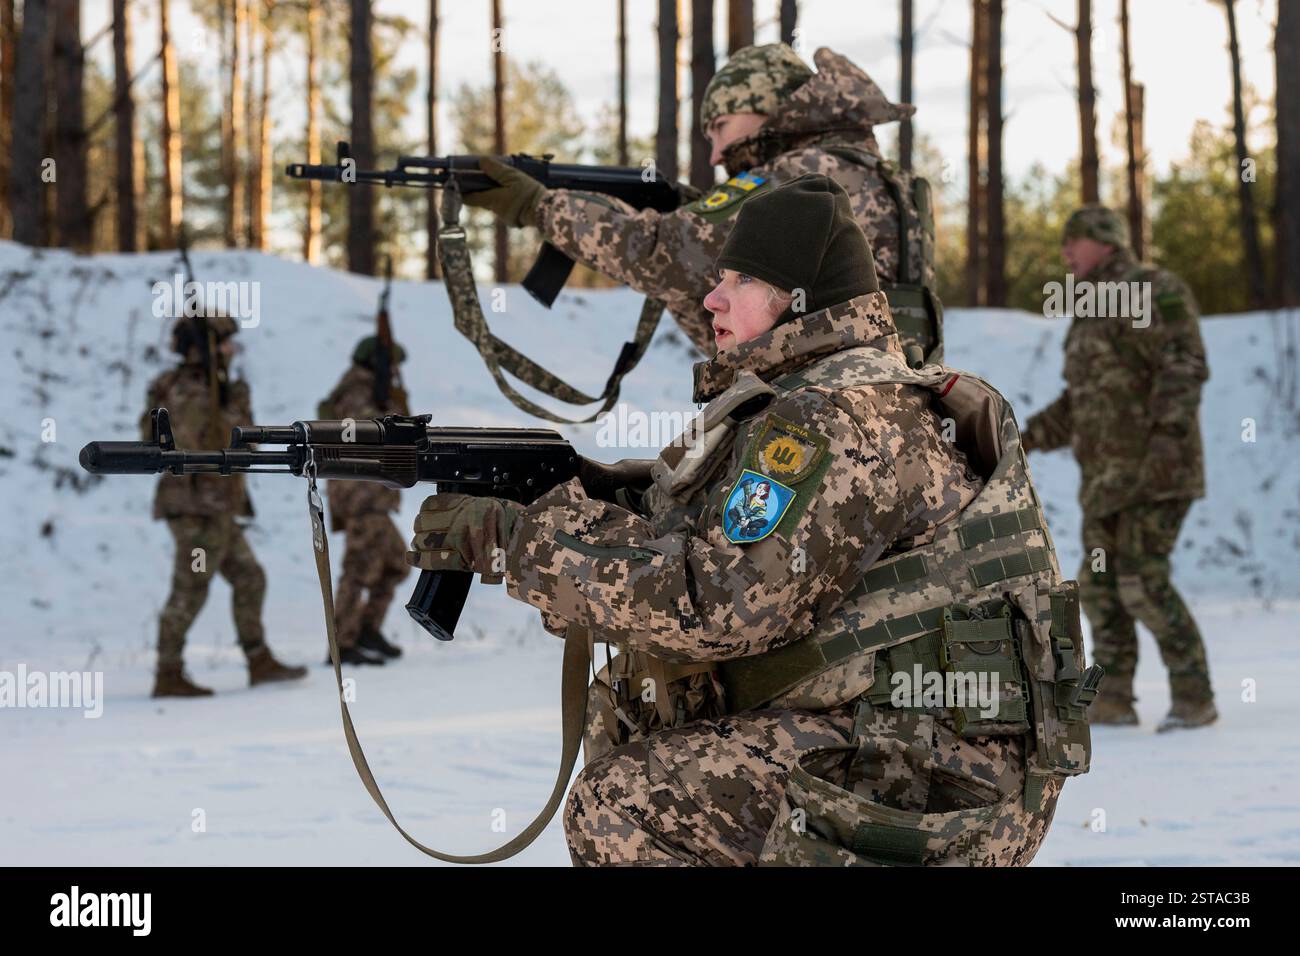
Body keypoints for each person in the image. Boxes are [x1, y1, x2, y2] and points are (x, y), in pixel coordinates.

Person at [408, 176, 1098, 866]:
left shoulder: (830, 417)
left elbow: (723, 602)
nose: (711, 296)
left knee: (623, 802)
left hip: (933, 772)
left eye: (739, 278)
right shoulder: (835, 395)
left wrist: (515, 542)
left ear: (799, 301)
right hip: (934, 750)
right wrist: (583, 498)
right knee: (634, 718)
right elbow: (719, 543)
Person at [461, 43, 943, 365]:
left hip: (820, 407)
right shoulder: (885, 178)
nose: (714, 154)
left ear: (770, 111)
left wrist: (537, 205)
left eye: (722, 126)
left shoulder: (799, 177)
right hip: (888, 401)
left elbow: (661, 254)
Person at [1022, 205, 1215, 732]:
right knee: (1102, 588)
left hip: (1155, 474)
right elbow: (1081, 401)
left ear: (1104, 241)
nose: (1064, 253)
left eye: (1072, 242)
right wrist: (1021, 438)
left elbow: (1185, 364)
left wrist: (1165, 445)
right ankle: (1113, 703)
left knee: (1141, 582)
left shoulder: (1150, 287)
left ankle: (1194, 698)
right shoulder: (1091, 308)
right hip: (1105, 483)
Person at [143, 316, 307, 697]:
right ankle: (168, 672)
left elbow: (245, 446)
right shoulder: (184, 390)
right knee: (191, 586)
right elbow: (185, 446)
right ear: (203, 349)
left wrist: (232, 402)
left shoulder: (222, 389)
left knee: (250, 576)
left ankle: (258, 659)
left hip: (219, 508)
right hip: (195, 509)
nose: (232, 351)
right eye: (224, 344)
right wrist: (225, 407)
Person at [316, 336, 413, 665]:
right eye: (393, 365)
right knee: (358, 569)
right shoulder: (356, 391)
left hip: (373, 495)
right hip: (360, 494)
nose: (398, 371)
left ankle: (366, 628)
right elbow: (370, 431)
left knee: (396, 564)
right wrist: (396, 407)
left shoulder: (372, 388)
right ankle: (341, 644)